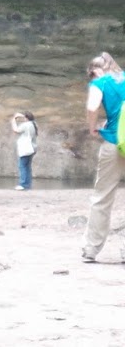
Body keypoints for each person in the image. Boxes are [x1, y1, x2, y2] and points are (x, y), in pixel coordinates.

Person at [83, 53, 125, 262]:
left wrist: (92, 128)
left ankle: (91, 250)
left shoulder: (100, 82)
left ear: (96, 70)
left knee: (102, 197)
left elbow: (92, 107)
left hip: (114, 142)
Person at [9, 111, 37, 190]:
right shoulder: (33, 124)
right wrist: (21, 116)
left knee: (22, 166)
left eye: (24, 117)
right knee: (27, 166)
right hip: (32, 148)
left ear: (26, 118)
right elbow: (30, 118)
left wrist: (14, 120)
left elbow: (16, 130)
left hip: (26, 148)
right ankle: (27, 184)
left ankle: (23, 184)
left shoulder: (26, 125)